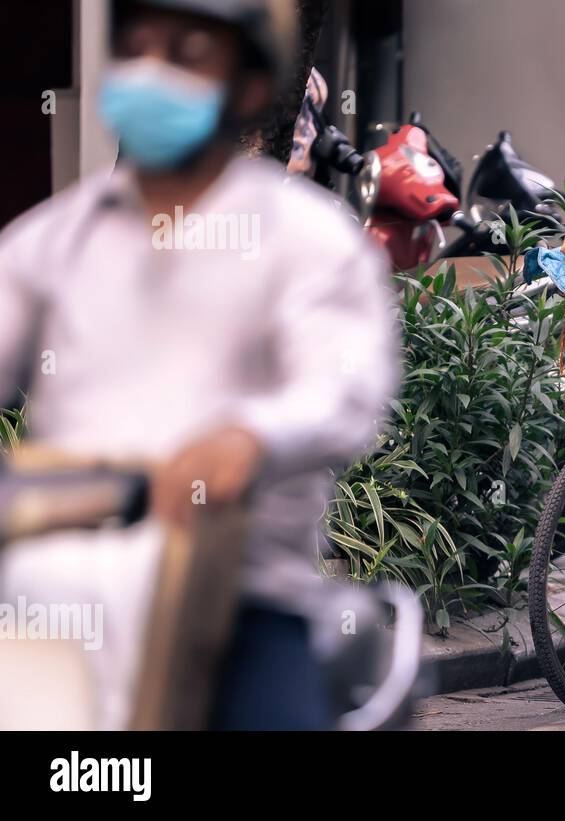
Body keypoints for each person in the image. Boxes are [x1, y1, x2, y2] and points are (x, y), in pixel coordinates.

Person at [0, 0, 397, 727]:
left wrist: (252, 436)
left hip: (243, 602)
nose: (153, 71)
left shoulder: (307, 241)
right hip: (57, 591)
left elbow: (343, 387)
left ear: (247, 86)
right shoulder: (55, 240)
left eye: (185, 52)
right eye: (138, 48)